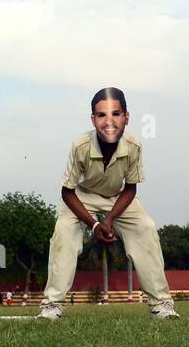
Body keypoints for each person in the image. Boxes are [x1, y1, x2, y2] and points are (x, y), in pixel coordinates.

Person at [38, 87, 177, 321]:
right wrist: (94, 225)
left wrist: (110, 219)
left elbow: (131, 187)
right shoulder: (81, 145)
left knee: (146, 227)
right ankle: (52, 305)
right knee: (63, 232)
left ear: (126, 116)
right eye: (101, 115)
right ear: (93, 119)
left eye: (116, 114)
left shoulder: (133, 145)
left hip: (118, 197)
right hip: (81, 197)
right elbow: (67, 192)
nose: (109, 121)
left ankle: (161, 304)